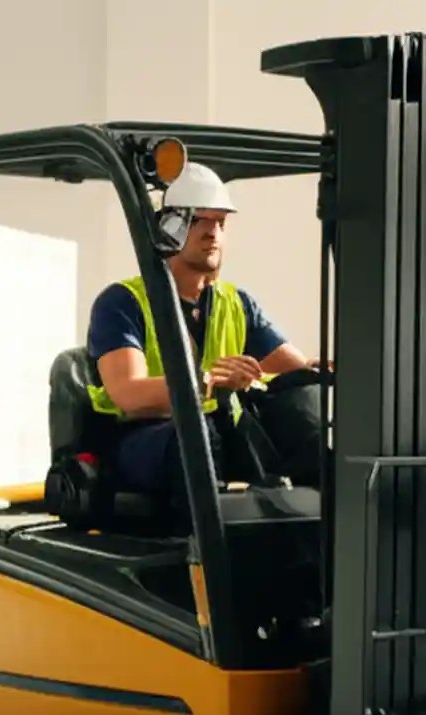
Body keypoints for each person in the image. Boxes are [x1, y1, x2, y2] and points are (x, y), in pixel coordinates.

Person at [85, 162, 316, 501]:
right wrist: (209, 382)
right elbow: (128, 394)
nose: (213, 233)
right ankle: (205, 546)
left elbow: (293, 371)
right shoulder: (123, 302)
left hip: (214, 432)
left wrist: (325, 371)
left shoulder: (236, 303)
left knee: (305, 415)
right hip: (144, 439)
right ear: (167, 227)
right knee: (199, 436)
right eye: (198, 221)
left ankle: (324, 534)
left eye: (220, 223)